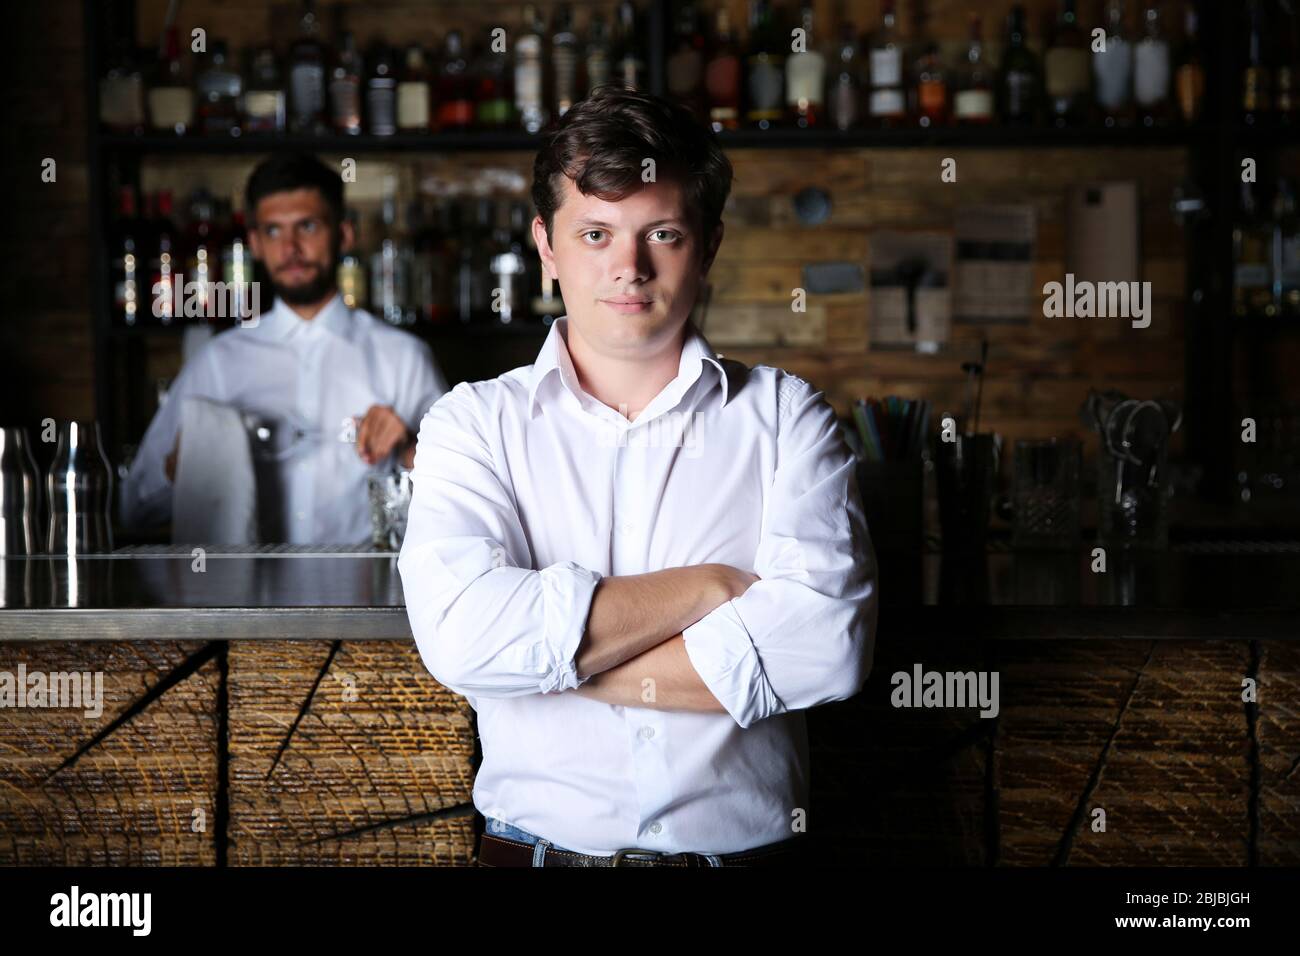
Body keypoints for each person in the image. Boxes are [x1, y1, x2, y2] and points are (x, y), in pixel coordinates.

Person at [398, 87, 877, 867]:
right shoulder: (471, 424)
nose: (629, 267)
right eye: (595, 233)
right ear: (546, 248)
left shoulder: (788, 417)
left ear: (710, 245)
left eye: (663, 232)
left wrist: (544, 665)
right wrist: (710, 588)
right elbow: (460, 638)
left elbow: (828, 648)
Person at [119, 152, 447, 544]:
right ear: (255, 243)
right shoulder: (218, 363)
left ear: (344, 234)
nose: (290, 247)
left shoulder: (404, 359)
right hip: (240, 601)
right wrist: (178, 470)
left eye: (307, 226)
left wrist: (410, 446)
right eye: (274, 231)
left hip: (368, 597)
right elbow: (133, 510)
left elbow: (462, 502)